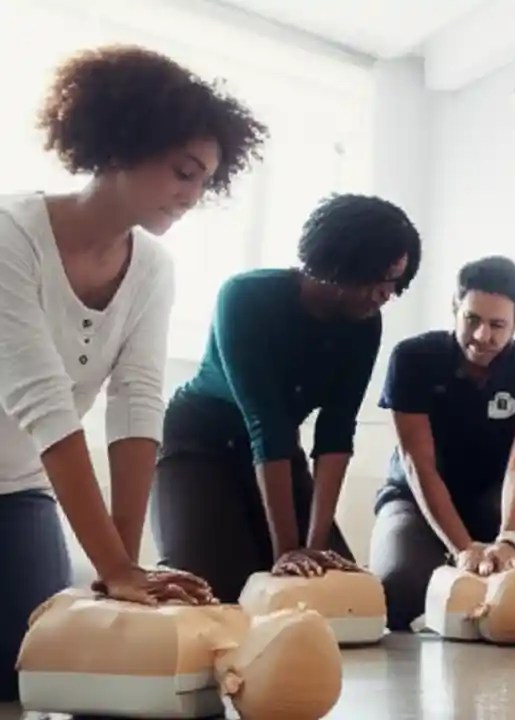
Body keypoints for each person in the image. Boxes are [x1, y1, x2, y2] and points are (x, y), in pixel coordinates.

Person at [0, 45, 265, 699]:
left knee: (24, 668)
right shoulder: (9, 236)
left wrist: (122, 572)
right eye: (182, 172)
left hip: (15, 490)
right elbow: (43, 401)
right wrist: (115, 565)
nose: (194, 195)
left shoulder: (153, 267)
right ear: (121, 146)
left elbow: (137, 403)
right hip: (34, 451)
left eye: (206, 180)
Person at [149, 193, 421, 603]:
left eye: (395, 283)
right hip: (199, 444)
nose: (385, 294)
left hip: (277, 452)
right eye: (378, 280)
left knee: (339, 595)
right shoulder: (245, 297)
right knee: (214, 591)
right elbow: (266, 423)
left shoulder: (364, 323)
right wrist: (286, 553)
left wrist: (313, 546)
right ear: (339, 263)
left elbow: (336, 430)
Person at [368, 256, 515, 631]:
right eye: (472, 320)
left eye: (497, 325)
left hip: (487, 502)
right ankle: (453, 560)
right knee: (398, 594)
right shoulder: (412, 358)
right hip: (414, 500)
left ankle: (492, 564)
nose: (482, 336)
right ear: (454, 308)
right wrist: (462, 548)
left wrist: (509, 540)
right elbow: (418, 465)